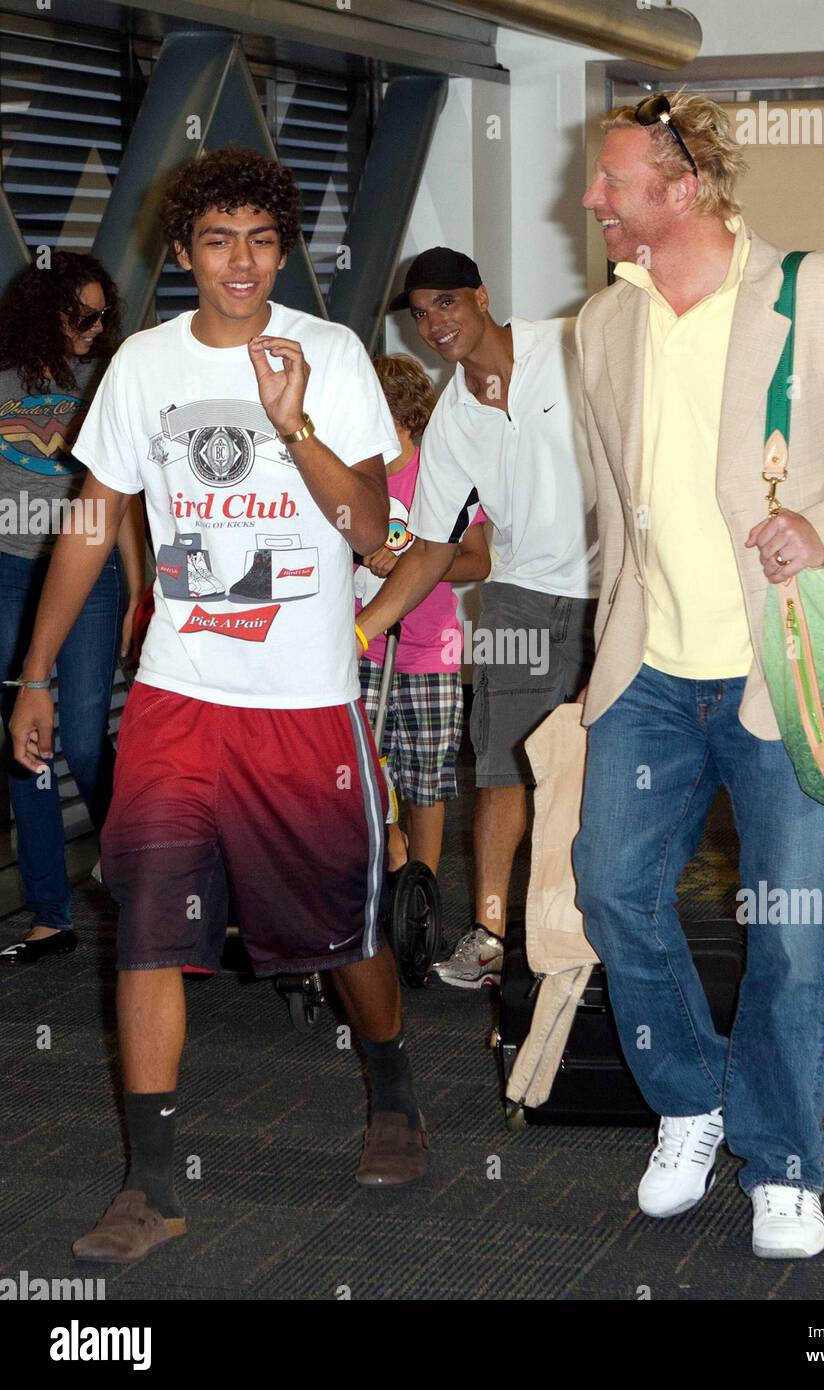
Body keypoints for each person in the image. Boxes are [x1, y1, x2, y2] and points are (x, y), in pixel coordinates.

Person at [10, 146, 427, 1267]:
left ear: (281, 248)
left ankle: (391, 1082)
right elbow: (93, 522)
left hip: (302, 699)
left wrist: (292, 422)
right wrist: (39, 670)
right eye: (214, 241)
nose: (238, 263)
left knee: (342, 932)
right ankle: (151, 1183)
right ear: (182, 253)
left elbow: (371, 529)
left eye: (258, 239)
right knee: (145, 927)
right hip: (178, 695)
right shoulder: (143, 364)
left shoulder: (330, 354)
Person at [574, 90, 824, 1258]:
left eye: (613, 180)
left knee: (790, 926)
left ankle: (783, 1160)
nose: (592, 198)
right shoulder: (603, 323)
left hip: (777, 668)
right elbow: (613, 507)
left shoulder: (815, 295)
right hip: (649, 667)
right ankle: (692, 1100)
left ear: (680, 190)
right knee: (610, 891)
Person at [356, 248, 598, 989]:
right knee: (503, 767)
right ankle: (490, 934)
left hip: (615, 583)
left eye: (446, 305)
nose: (433, 324)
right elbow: (431, 550)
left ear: (482, 296)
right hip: (518, 596)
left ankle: (597, 924)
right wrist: (362, 628)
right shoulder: (452, 421)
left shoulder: (568, 346)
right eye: (421, 314)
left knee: (609, 770)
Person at [0, 252, 145, 967]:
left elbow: (119, 503)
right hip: (6, 572)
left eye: (101, 317)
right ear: (43, 311)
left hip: (88, 582)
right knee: (25, 743)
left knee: (86, 741)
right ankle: (50, 915)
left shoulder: (106, 381)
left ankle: (143, 890)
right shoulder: (1, 381)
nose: (93, 330)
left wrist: (135, 586)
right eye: (80, 315)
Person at [355, 354, 490, 877]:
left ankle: (424, 888)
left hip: (430, 651)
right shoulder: (349, 482)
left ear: (409, 419)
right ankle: (388, 846)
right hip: (362, 649)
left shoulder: (440, 477)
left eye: (380, 417)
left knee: (426, 780)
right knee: (364, 769)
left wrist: (415, 555)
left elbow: (477, 559)